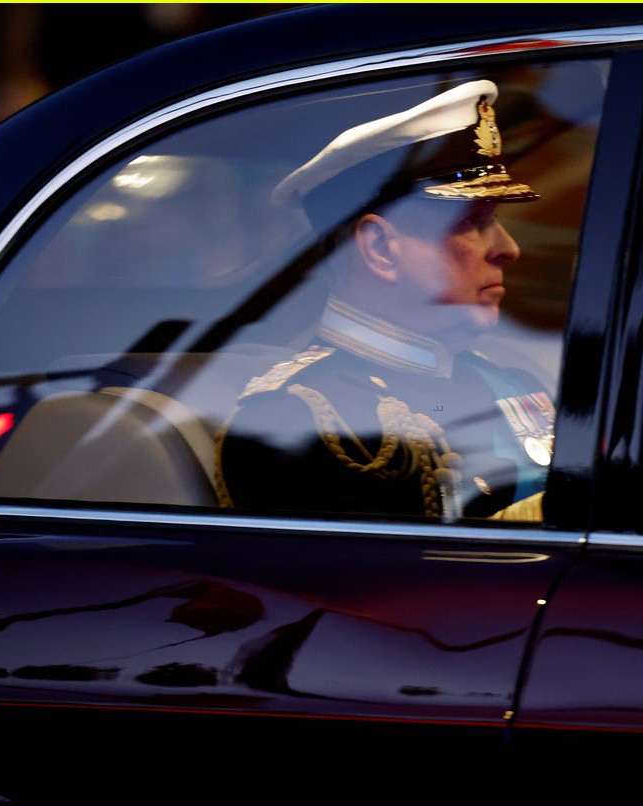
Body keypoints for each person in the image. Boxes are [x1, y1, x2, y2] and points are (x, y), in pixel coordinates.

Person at [214, 80, 553, 521]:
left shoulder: (508, 380)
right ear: (380, 248)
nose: (508, 248)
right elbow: (392, 584)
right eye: (473, 221)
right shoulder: (300, 417)